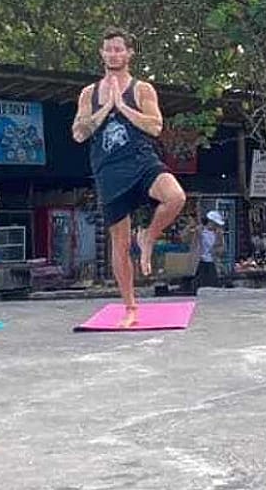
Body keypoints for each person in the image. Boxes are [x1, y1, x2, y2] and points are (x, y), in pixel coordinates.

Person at [72, 27, 187, 328]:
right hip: (109, 171)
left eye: (119, 49)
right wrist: (105, 110)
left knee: (175, 197)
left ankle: (148, 235)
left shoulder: (142, 89)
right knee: (119, 242)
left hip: (141, 161)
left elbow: (156, 126)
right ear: (102, 52)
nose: (113, 54)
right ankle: (130, 305)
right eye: (108, 49)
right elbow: (78, 133)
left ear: (129, 53)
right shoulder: (89, 93)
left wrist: (122, 106)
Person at [194, 210, 225, 288]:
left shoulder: (218, 234)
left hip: (213, 263)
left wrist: (217, 250)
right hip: (200, 262)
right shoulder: (200, 231)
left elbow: (222, 249)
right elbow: (192, 244)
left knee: (213, 285)